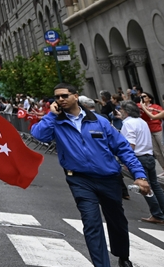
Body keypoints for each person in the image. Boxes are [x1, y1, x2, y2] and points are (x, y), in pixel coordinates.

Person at [30, 83, 149, 267]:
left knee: (117, 221)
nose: (60, 100)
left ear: (76, 96)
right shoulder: (56, 122)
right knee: (91, 223)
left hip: (109, 178)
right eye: (57, 97)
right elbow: (38, 135)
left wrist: (139, 175)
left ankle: (122, 256)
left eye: (64, 95)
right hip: (79, 180)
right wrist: (51, 116)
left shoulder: (99, 121)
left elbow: (123, 148)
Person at [115, 101, 164, 224]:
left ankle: (157, 214)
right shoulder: (142, 122)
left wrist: (126, 161)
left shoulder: (128, 124)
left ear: (126, 111)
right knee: (155, 186)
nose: (121, 112)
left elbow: (130, 144)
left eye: (122, 110)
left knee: (145, 187)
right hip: (149, 156)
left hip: (138, 158)